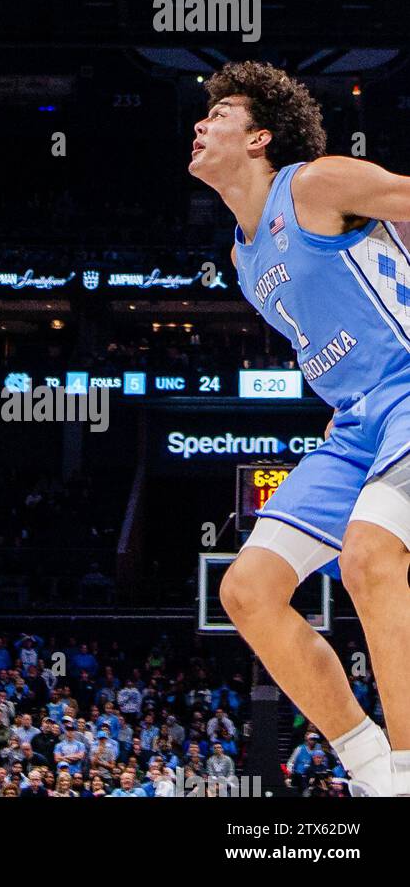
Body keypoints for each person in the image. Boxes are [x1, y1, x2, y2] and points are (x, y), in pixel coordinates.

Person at [192, 60, 410, 795]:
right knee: (247, 591)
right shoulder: (242, 255)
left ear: (258, 140)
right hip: (354, 425)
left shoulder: (316, 183)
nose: (201, 124)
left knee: (369, 557)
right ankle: (374, 770)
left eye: (219, 117)